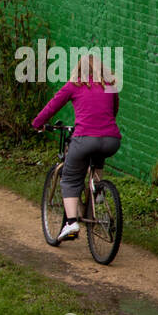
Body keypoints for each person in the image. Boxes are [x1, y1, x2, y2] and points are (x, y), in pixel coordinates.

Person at [31, 53, 121, 241]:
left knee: (70, 178)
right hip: (111, 139)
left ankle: (71, 222)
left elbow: (52, 106)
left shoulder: (74, 85)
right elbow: (113, 111)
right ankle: (98, 193)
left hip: (85, 138)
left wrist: (37, 123)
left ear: (79, 69)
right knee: (98, 158)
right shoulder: (110, 85)